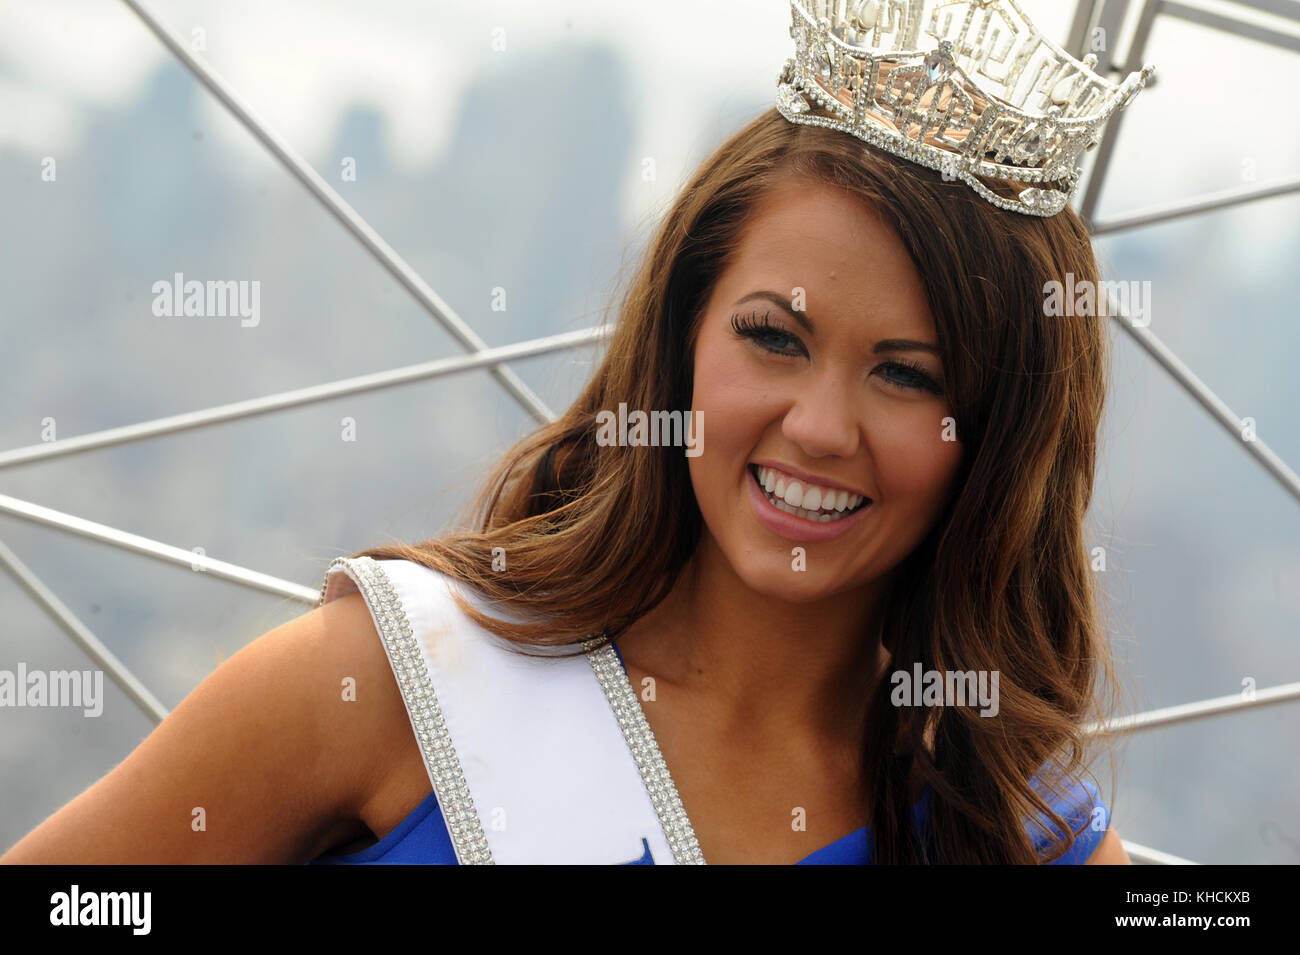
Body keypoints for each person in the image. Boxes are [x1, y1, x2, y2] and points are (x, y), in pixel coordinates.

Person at [2, 0, 1147, 865]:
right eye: (772, 339)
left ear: (992, 437)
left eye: (905, 376)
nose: (818, 426)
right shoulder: (386, 678)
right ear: (681, 339)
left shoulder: (1020, 837)